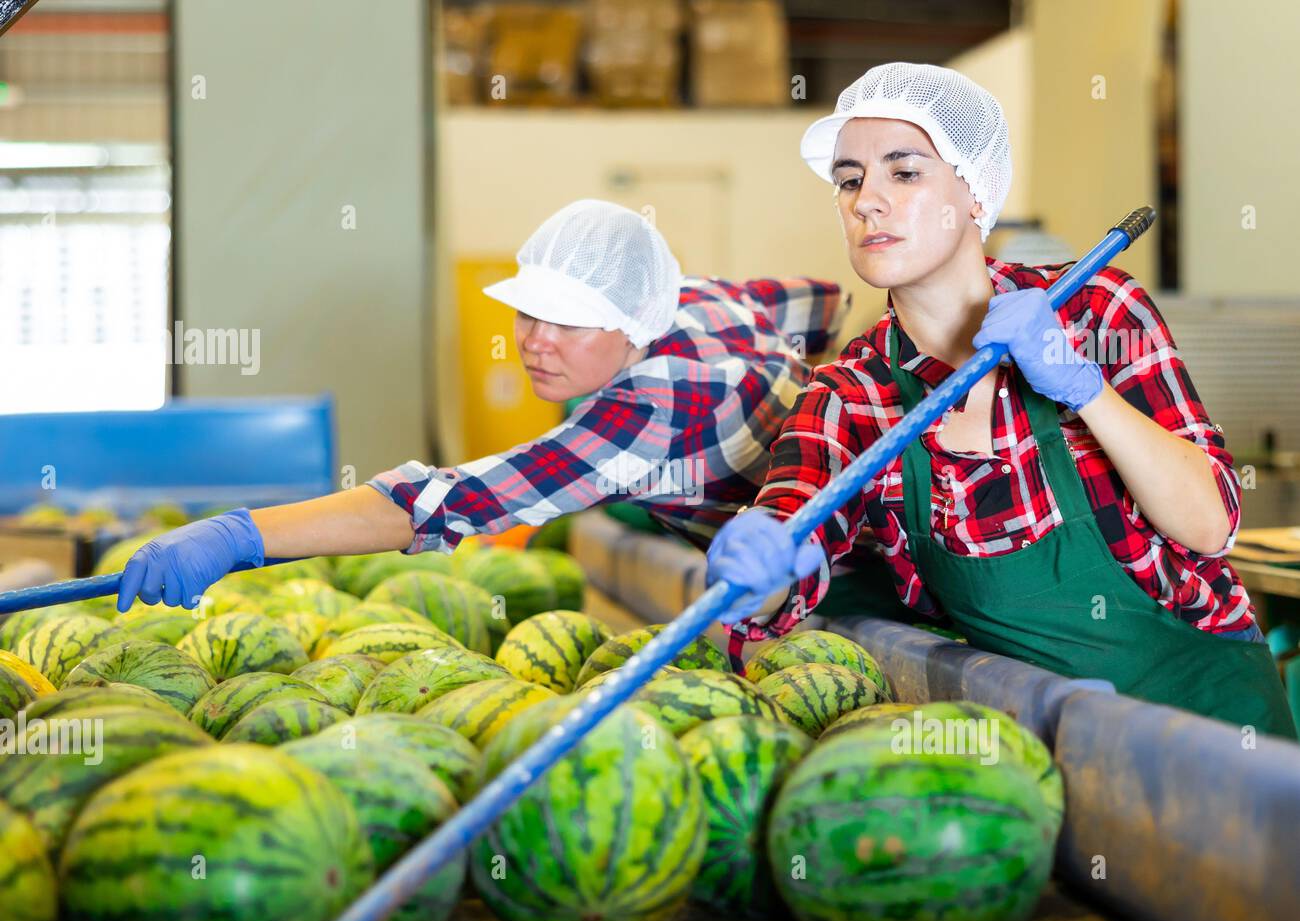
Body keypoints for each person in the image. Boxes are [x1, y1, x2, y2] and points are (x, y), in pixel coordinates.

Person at [705, 63, 1295, 738]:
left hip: (1218, 719)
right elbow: (791, 539)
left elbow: (1211, 524)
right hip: (1050, 749)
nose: (866, 200)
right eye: (849, 179)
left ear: (977, 193)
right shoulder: (851, 396)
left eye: (903, 172)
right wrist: (762, 568)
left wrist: (1084, 387)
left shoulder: (1096, 310)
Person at [116, 199, 844, 611]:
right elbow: (827, 301)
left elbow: (442, 503)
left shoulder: (643, 420)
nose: (534, 342)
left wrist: (240, 537)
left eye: (566, 323)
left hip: (848, 562)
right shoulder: (695, 294)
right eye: (529, 313)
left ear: (632, 324)